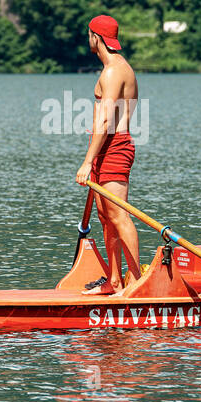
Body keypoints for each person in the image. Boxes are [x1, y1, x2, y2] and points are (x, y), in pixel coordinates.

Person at [75, 15, 140, 296]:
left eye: (89, 35)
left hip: (115, 147)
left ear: (95, 38)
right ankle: (114, 281)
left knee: (119, 215)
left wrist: (87, 161)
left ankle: (136, 283)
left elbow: (104, 122)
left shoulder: (114, 71)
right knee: (105, 216)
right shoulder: (115, 68)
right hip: (107, 148)